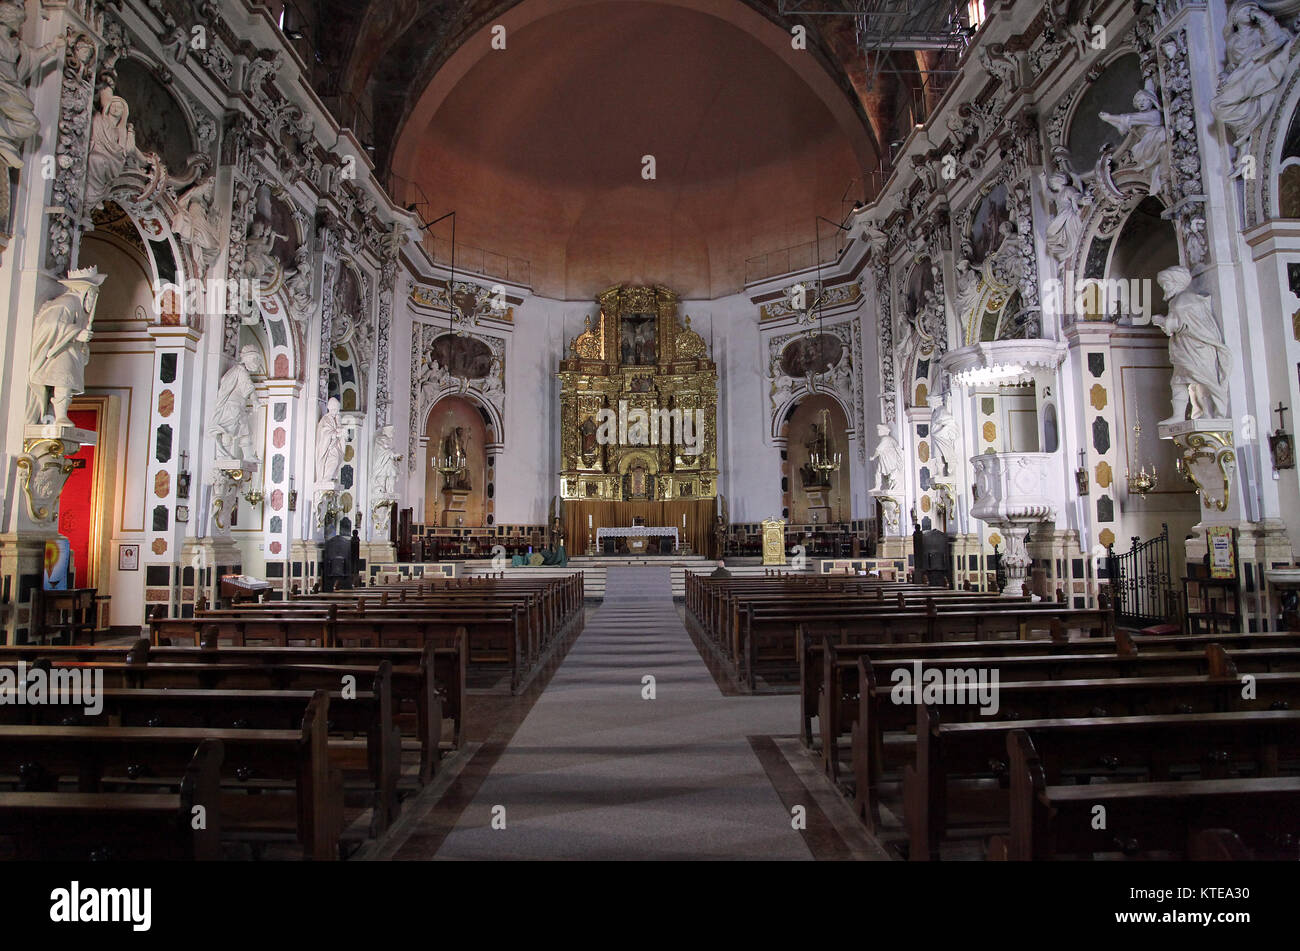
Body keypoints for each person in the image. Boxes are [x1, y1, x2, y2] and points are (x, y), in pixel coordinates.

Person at [27, 267, 106, 427]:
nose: (93, 296)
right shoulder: (68, 302)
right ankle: (60, 415)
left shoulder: (80, 308)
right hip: (60, 351)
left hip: (70, 350)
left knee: (66, 381)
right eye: (92, 292)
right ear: (84, 291)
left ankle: (59, 414)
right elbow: (52, 324)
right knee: (63, 379)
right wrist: (76, 333)